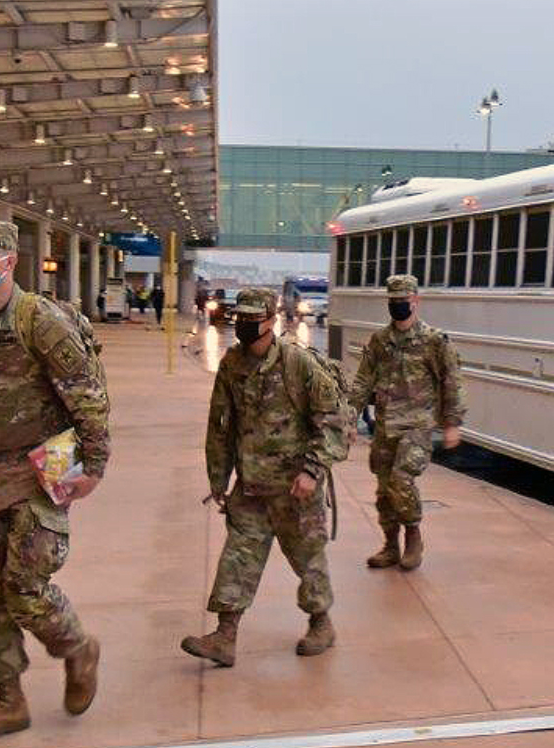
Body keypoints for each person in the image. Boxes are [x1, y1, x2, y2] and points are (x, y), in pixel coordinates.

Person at [0, 221, 111, 745]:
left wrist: (95, 465)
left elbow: (87, 397)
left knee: (26, 591)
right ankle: (8, 700)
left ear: (9, 262)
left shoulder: (40, 321)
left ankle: (77, 648)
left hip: (43, 469)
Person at [182, 288, 349, 667]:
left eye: (252, 320)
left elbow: (333, 420)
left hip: (296, 489)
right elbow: (220, 425)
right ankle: (225, 636)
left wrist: (312, 470)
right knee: (238, 558)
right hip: (252, 487)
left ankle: (321, 623)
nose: (243, 325)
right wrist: (218, 480)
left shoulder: (296, 363)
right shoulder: (232, 364)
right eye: (239, 318)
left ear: (271, 322)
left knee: (308, 560)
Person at [348, 274, 465, 571]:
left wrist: (452, 423)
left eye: (404, 301)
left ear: (416, 301)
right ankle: (390, 545)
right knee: (384, 489)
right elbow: (363, 380)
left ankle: (413, 536)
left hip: (418, 425)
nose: (399, 306)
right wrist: (350, 418)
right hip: (386, 425)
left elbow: (452, 381)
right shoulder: (380, 341)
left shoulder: (433, 341)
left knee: (401, 479)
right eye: (394, 301)